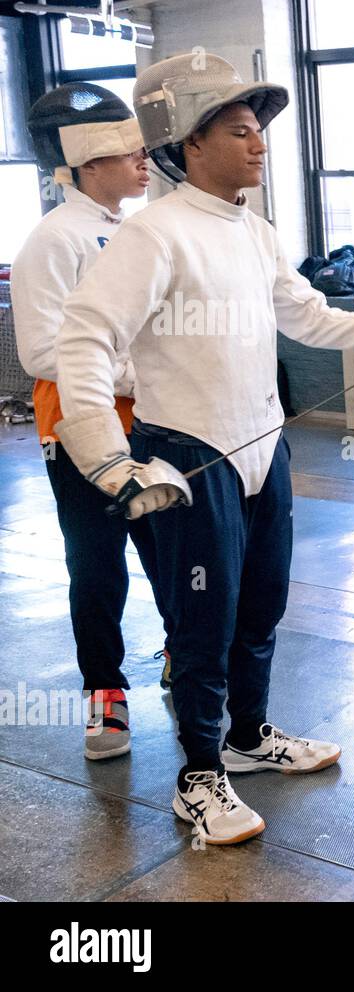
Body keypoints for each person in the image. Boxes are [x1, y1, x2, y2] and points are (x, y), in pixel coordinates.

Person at [53, 53, 354, 845]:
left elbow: (309, 320)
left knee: (263, 606)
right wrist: (108, 457)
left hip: (263, 450)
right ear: (188, 144)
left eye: (259, 131)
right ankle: (198, 775)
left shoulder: (259, 232)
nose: (259, 144)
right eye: (240, 131)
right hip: (187, 454)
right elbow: (84, 339)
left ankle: (246, 739)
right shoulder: (153, 236)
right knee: (204, 620)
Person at [11, 82, 168, 761]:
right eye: (130, 154)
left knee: (172, 554)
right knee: (99, 568)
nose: (144, 164)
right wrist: (132, 373)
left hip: (158, 420)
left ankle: (181, 659)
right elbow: (42, 350)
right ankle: (106, 704)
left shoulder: (139, 231)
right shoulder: (51, 240)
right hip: (79, 427)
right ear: (88, 162)